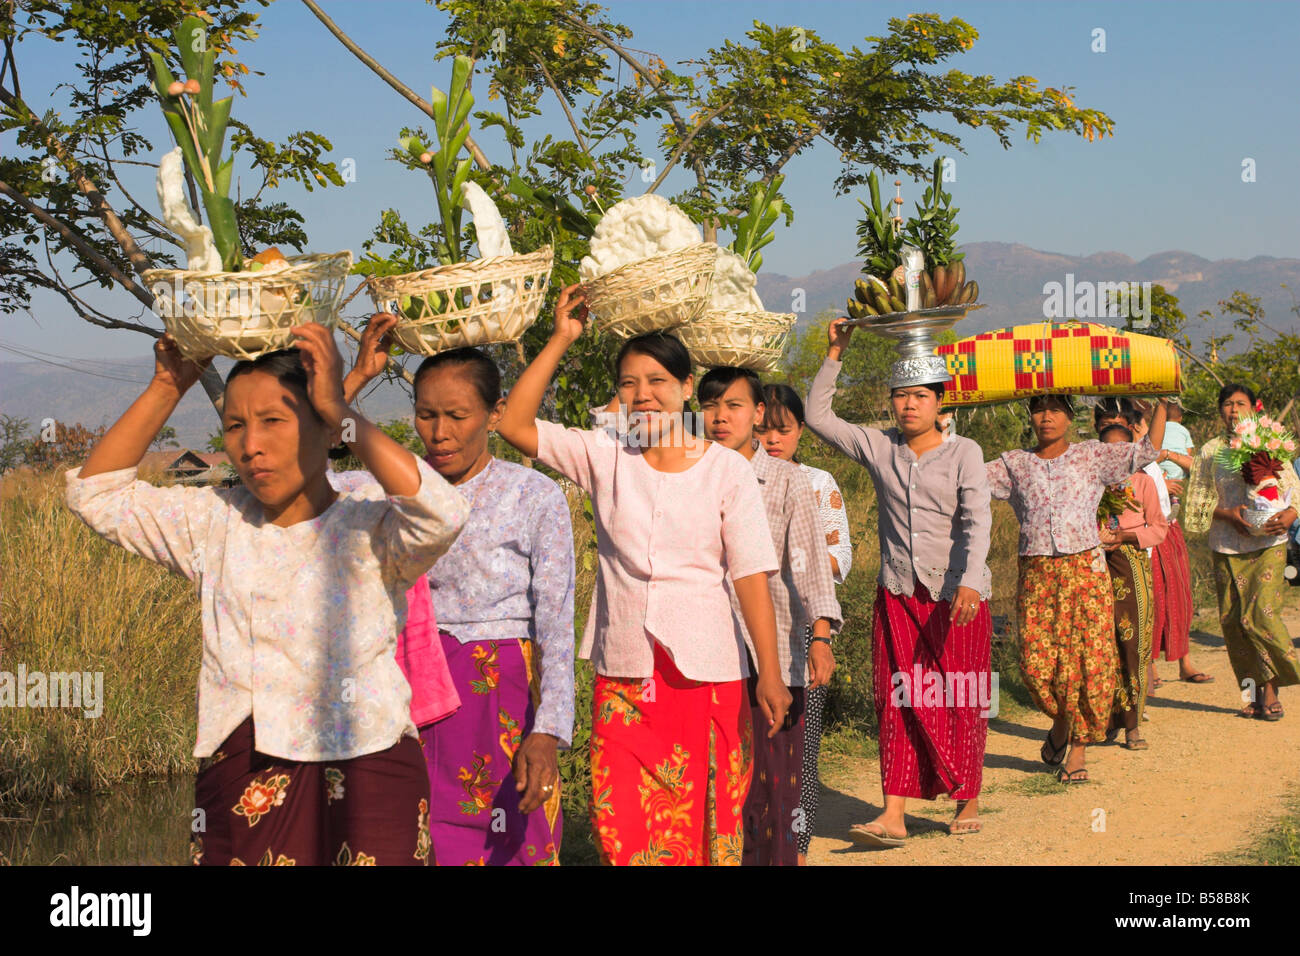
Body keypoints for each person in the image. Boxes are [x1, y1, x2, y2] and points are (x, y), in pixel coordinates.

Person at [65, 325, 470, 865]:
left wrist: (338, 405)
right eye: (235, 426)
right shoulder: (214, 521)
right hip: (244, 769)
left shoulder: (371, 525)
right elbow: (96, 496)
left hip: (371, 765)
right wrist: (167, 386)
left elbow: (443, 513)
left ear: (327, 430)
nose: (251, 446)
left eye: (273, 421)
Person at [495, 284, 791, 866]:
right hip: (625, 672)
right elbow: (513, 423)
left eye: (658, 381)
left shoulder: (727, 471)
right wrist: (561, 338)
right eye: (629, 383)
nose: (643, 395)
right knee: (623, 824)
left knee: (705, 823)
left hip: (708, 675)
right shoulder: (604, 455)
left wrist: (771, 674)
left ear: (686, 388)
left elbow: (751, 575)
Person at [333, 315, 575, 865]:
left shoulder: (532, 494)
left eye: (457, 415)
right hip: (405, 688)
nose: (439, 432)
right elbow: (300, 473)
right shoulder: (391, 485)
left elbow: (557, 619)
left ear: (494, 414)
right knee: (412, 839)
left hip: (500, 694)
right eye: (425, 415)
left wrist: (549, 730)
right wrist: (357, 378)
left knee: (509, 842)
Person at [806, 318, 992, 846]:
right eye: (900, 396)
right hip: (898, 594)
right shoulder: (878, 447)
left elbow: (979, 522)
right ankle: (893, 813)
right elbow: (817, 416)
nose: (908, 405)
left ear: (940, 403)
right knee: (899, 698)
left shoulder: (966, 453)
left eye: (919, 396)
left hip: (958, 597)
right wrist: (835, 353)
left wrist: (972, 582)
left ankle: (968, 793)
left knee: (960, 694)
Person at [697, 367, 842, 866]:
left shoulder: (787, 481)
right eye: (711, 405)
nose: (720, 417)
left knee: (771, 788)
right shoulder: (689, 474)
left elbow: (809, 563)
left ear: (757, 414)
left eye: (733, 405)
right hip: (707, 657)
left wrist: (820, 635)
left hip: (774, 653)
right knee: (720, 787)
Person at [987, 393, 1167, 783]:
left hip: (1085, 568)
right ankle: (1061, 725)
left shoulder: (1091, 455)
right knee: (1037, 664)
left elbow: (1148, 451)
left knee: (1088, 661)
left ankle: (1079, 749)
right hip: (1036, 572)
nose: (1046, 417)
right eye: (1038, 409)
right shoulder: (1014, 463)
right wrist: (942, 424)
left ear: (1069, 417)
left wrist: (1163, 405)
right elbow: (961, 478)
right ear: (1030, 416)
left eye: (1055, 409)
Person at [756, 382, 853, 865]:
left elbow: (840, 557)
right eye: (765, 429)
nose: (773, 439)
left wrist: (795, 561)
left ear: (800, 432)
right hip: (744, 640)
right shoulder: (734, 477)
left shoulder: (817, 483)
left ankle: (798, 848)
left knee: (800, 752)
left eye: (785, 429)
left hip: (802, 635)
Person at [1195, 384, 1300, 720]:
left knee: (1261, 616)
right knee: (1233, 625)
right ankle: (1253, 695)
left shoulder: (1272, 443)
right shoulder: (1210, 451)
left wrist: (1289, 515)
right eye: (1227, 404)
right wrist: (1228, 515)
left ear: (1255, 408)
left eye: (1241, 403)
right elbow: (1197, 502)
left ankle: (1275, 686)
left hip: (1269, 544)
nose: (1234, 410)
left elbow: (1294, 492)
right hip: (1226, 545)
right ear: (1219, 411)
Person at [1095, 402, 1208, 687]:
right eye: (1107, 424)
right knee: (1143, 605)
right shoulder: (1100, 460)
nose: (1116, 429)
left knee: (1177, 598)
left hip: (1164, 530)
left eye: (1122, 423)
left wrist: (1159, 405)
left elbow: (1153, 443)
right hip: (1127, 543)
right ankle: (1146, 668)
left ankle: (1183, 661)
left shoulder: (1143, 457)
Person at [1096, 423, 1168, 749]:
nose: (1115, 456)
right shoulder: (1090, 484)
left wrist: (1124, 536)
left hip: (1131, 563)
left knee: (1132, 642)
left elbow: (1159, 529)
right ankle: (1106, 719)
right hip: (1097, 564)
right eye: (1107, 450)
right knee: (1103, 644)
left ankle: (1132, 724)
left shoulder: (1143, 482)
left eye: (1122, 450)